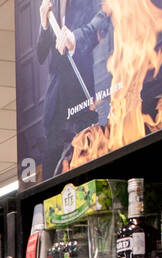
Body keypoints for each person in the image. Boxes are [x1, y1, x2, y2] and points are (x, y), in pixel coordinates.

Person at [36, 0, 110, 178]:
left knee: (83, 160)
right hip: (56, 100)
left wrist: (76, 38)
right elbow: (40, 54)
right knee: (51, 168)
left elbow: (103, 18)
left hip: (81, 92)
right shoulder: (52, 2)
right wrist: (44, 24)